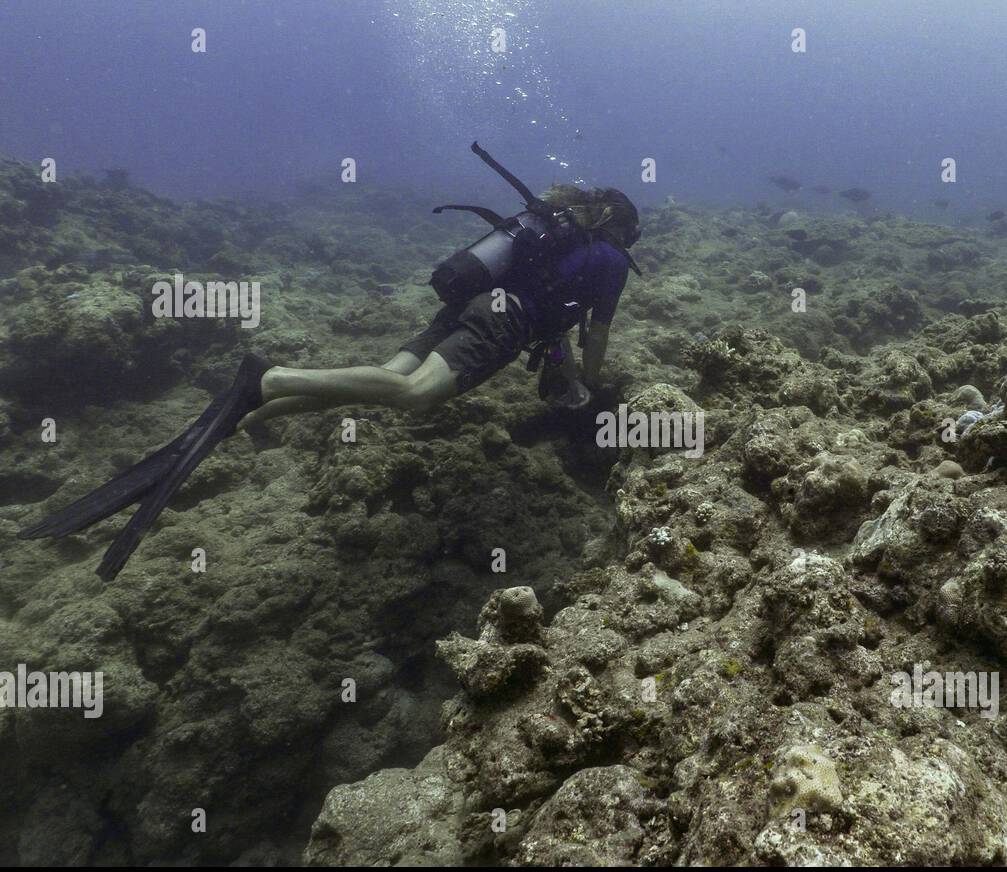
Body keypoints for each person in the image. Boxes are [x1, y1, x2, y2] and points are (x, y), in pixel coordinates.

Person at [20, 176, 640, 581]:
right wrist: (590, 386)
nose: (628, 244)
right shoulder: (610, 259)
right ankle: (268, 379)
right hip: (502, 324)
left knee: (389, 374)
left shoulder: (554, 237)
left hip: (471, 305)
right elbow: (599, 333)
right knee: (416, 396)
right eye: (629, 235)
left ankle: (252, 413)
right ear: (618, 227)